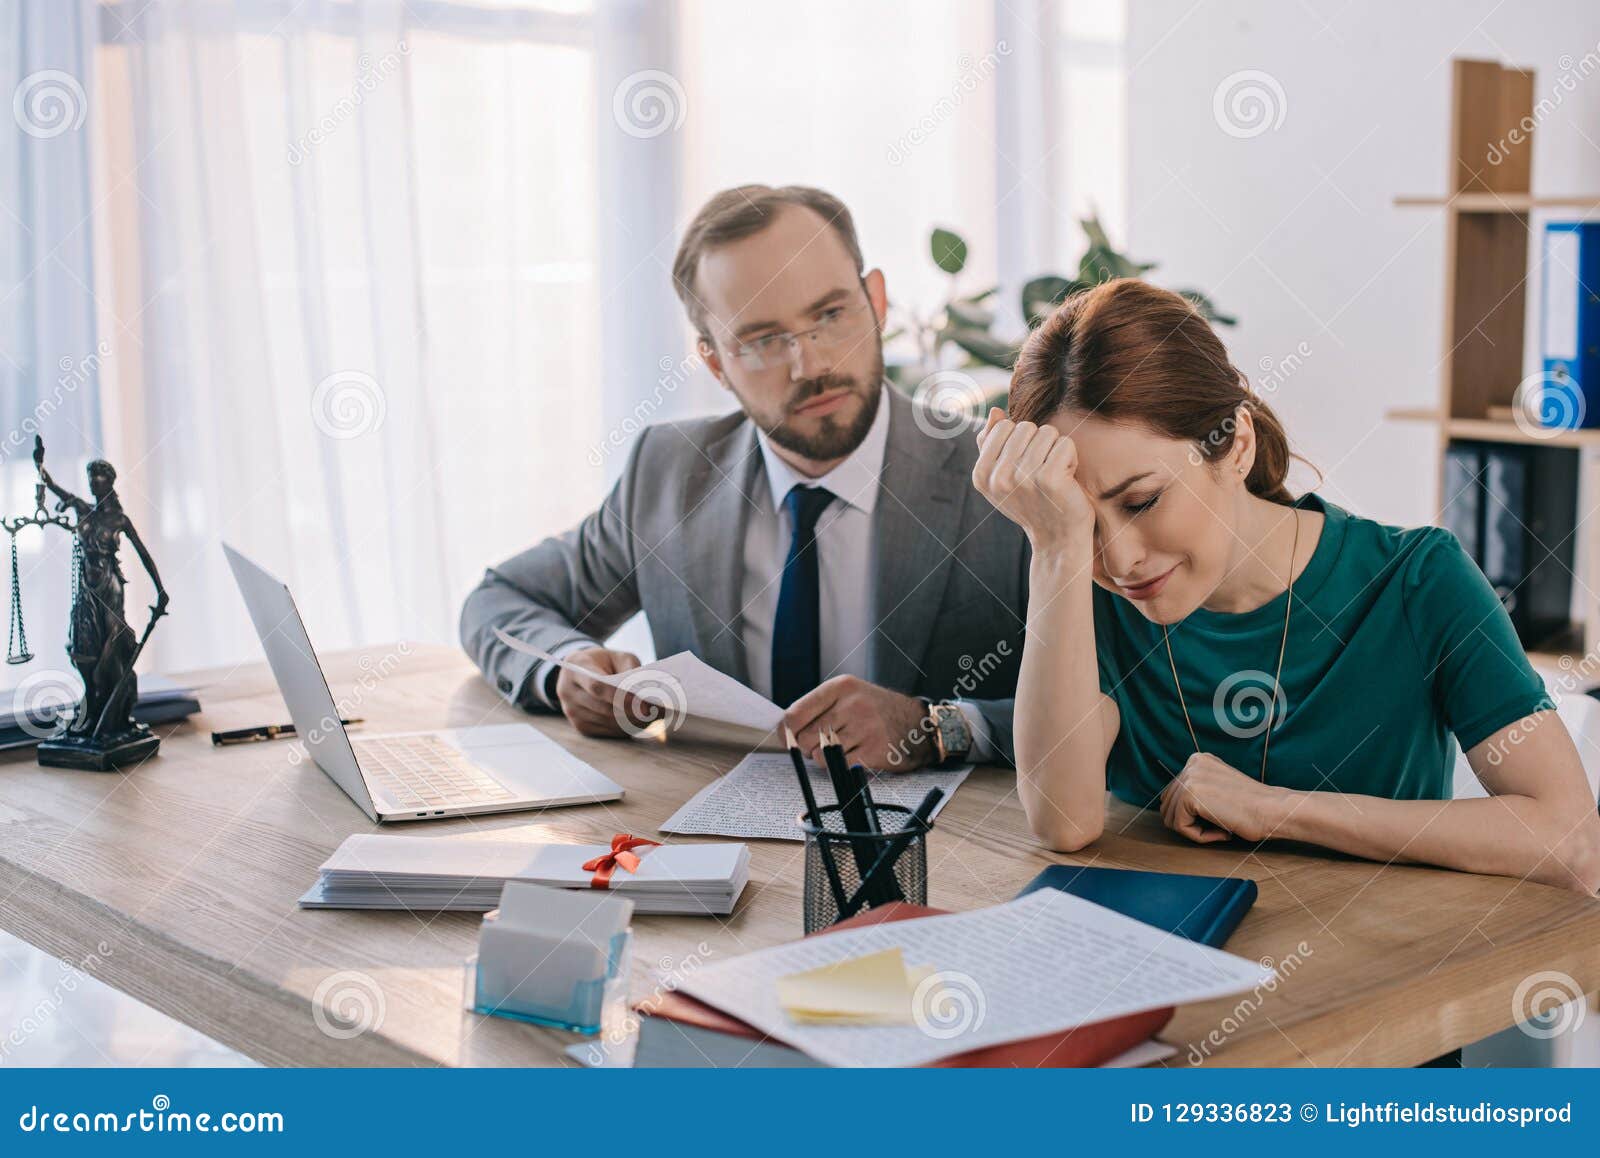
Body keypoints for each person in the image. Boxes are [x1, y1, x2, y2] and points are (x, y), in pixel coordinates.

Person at [971, 277, 1600, 894]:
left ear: (1234, 445)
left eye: (1142, 500)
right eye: (1082, 522)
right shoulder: (1088, 595)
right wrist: (1055, 547)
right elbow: (1063, 821)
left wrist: (1273, 809)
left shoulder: (1416, 580)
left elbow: (1568, 838)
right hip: (1182, 973)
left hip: (1387, 974)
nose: (1120, 559)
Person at [461, 185, 1027, 769]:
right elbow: (499, 600)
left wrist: (937, 727)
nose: (813, 365)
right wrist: (567, 665)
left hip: (948, 852)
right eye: (761, 341)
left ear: (876, 301)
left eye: (831, 315)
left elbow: (1108, 703)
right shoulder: (668, 472)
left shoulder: (999, 478)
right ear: (715, 363)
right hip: (710, 845)